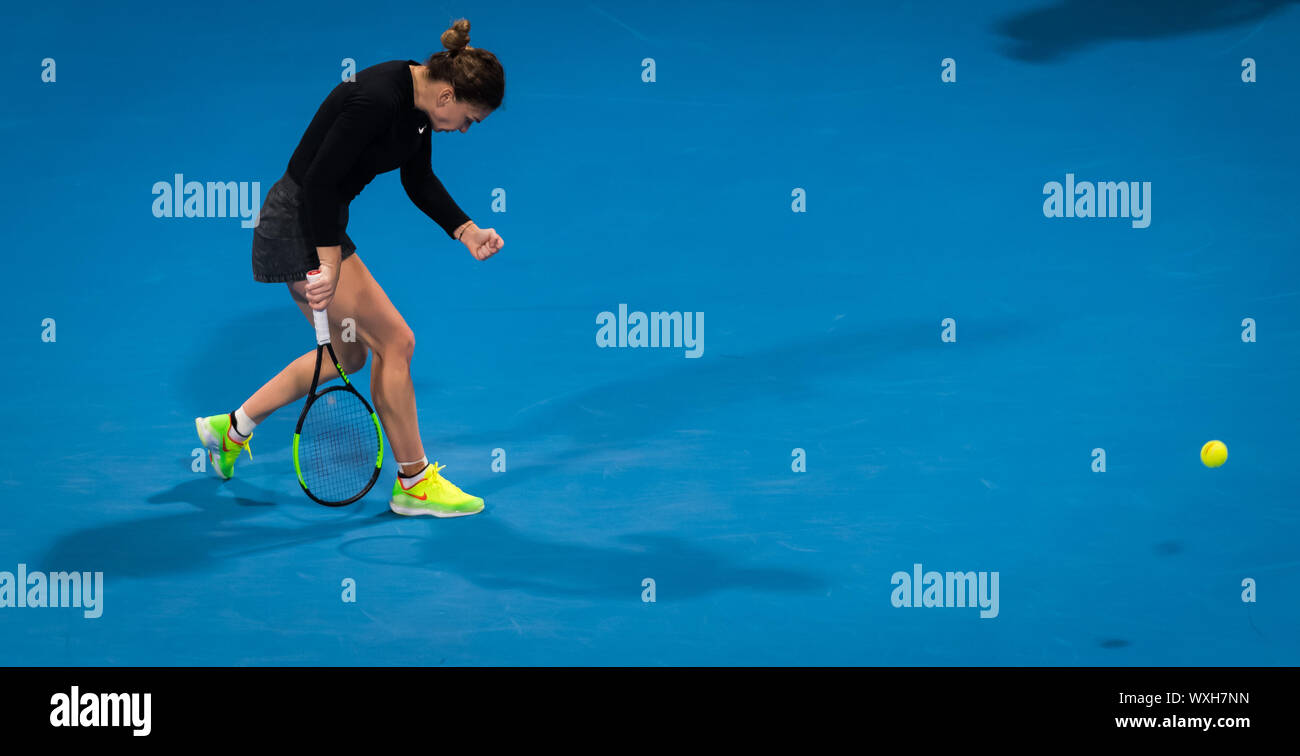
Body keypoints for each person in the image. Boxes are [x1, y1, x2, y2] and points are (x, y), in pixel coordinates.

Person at [195, 18, 505, 517]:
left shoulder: (420, 100)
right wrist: (328, 262)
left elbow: (419, 177)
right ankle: (414, 482)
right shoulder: (378, 100)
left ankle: (229, 430)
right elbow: (318, 183)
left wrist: (465, 229)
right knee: (397, 342)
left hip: (317, 222)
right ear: (448, 96)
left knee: (349, 356)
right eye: (470, 118)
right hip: (299, 223)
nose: (465, 129)